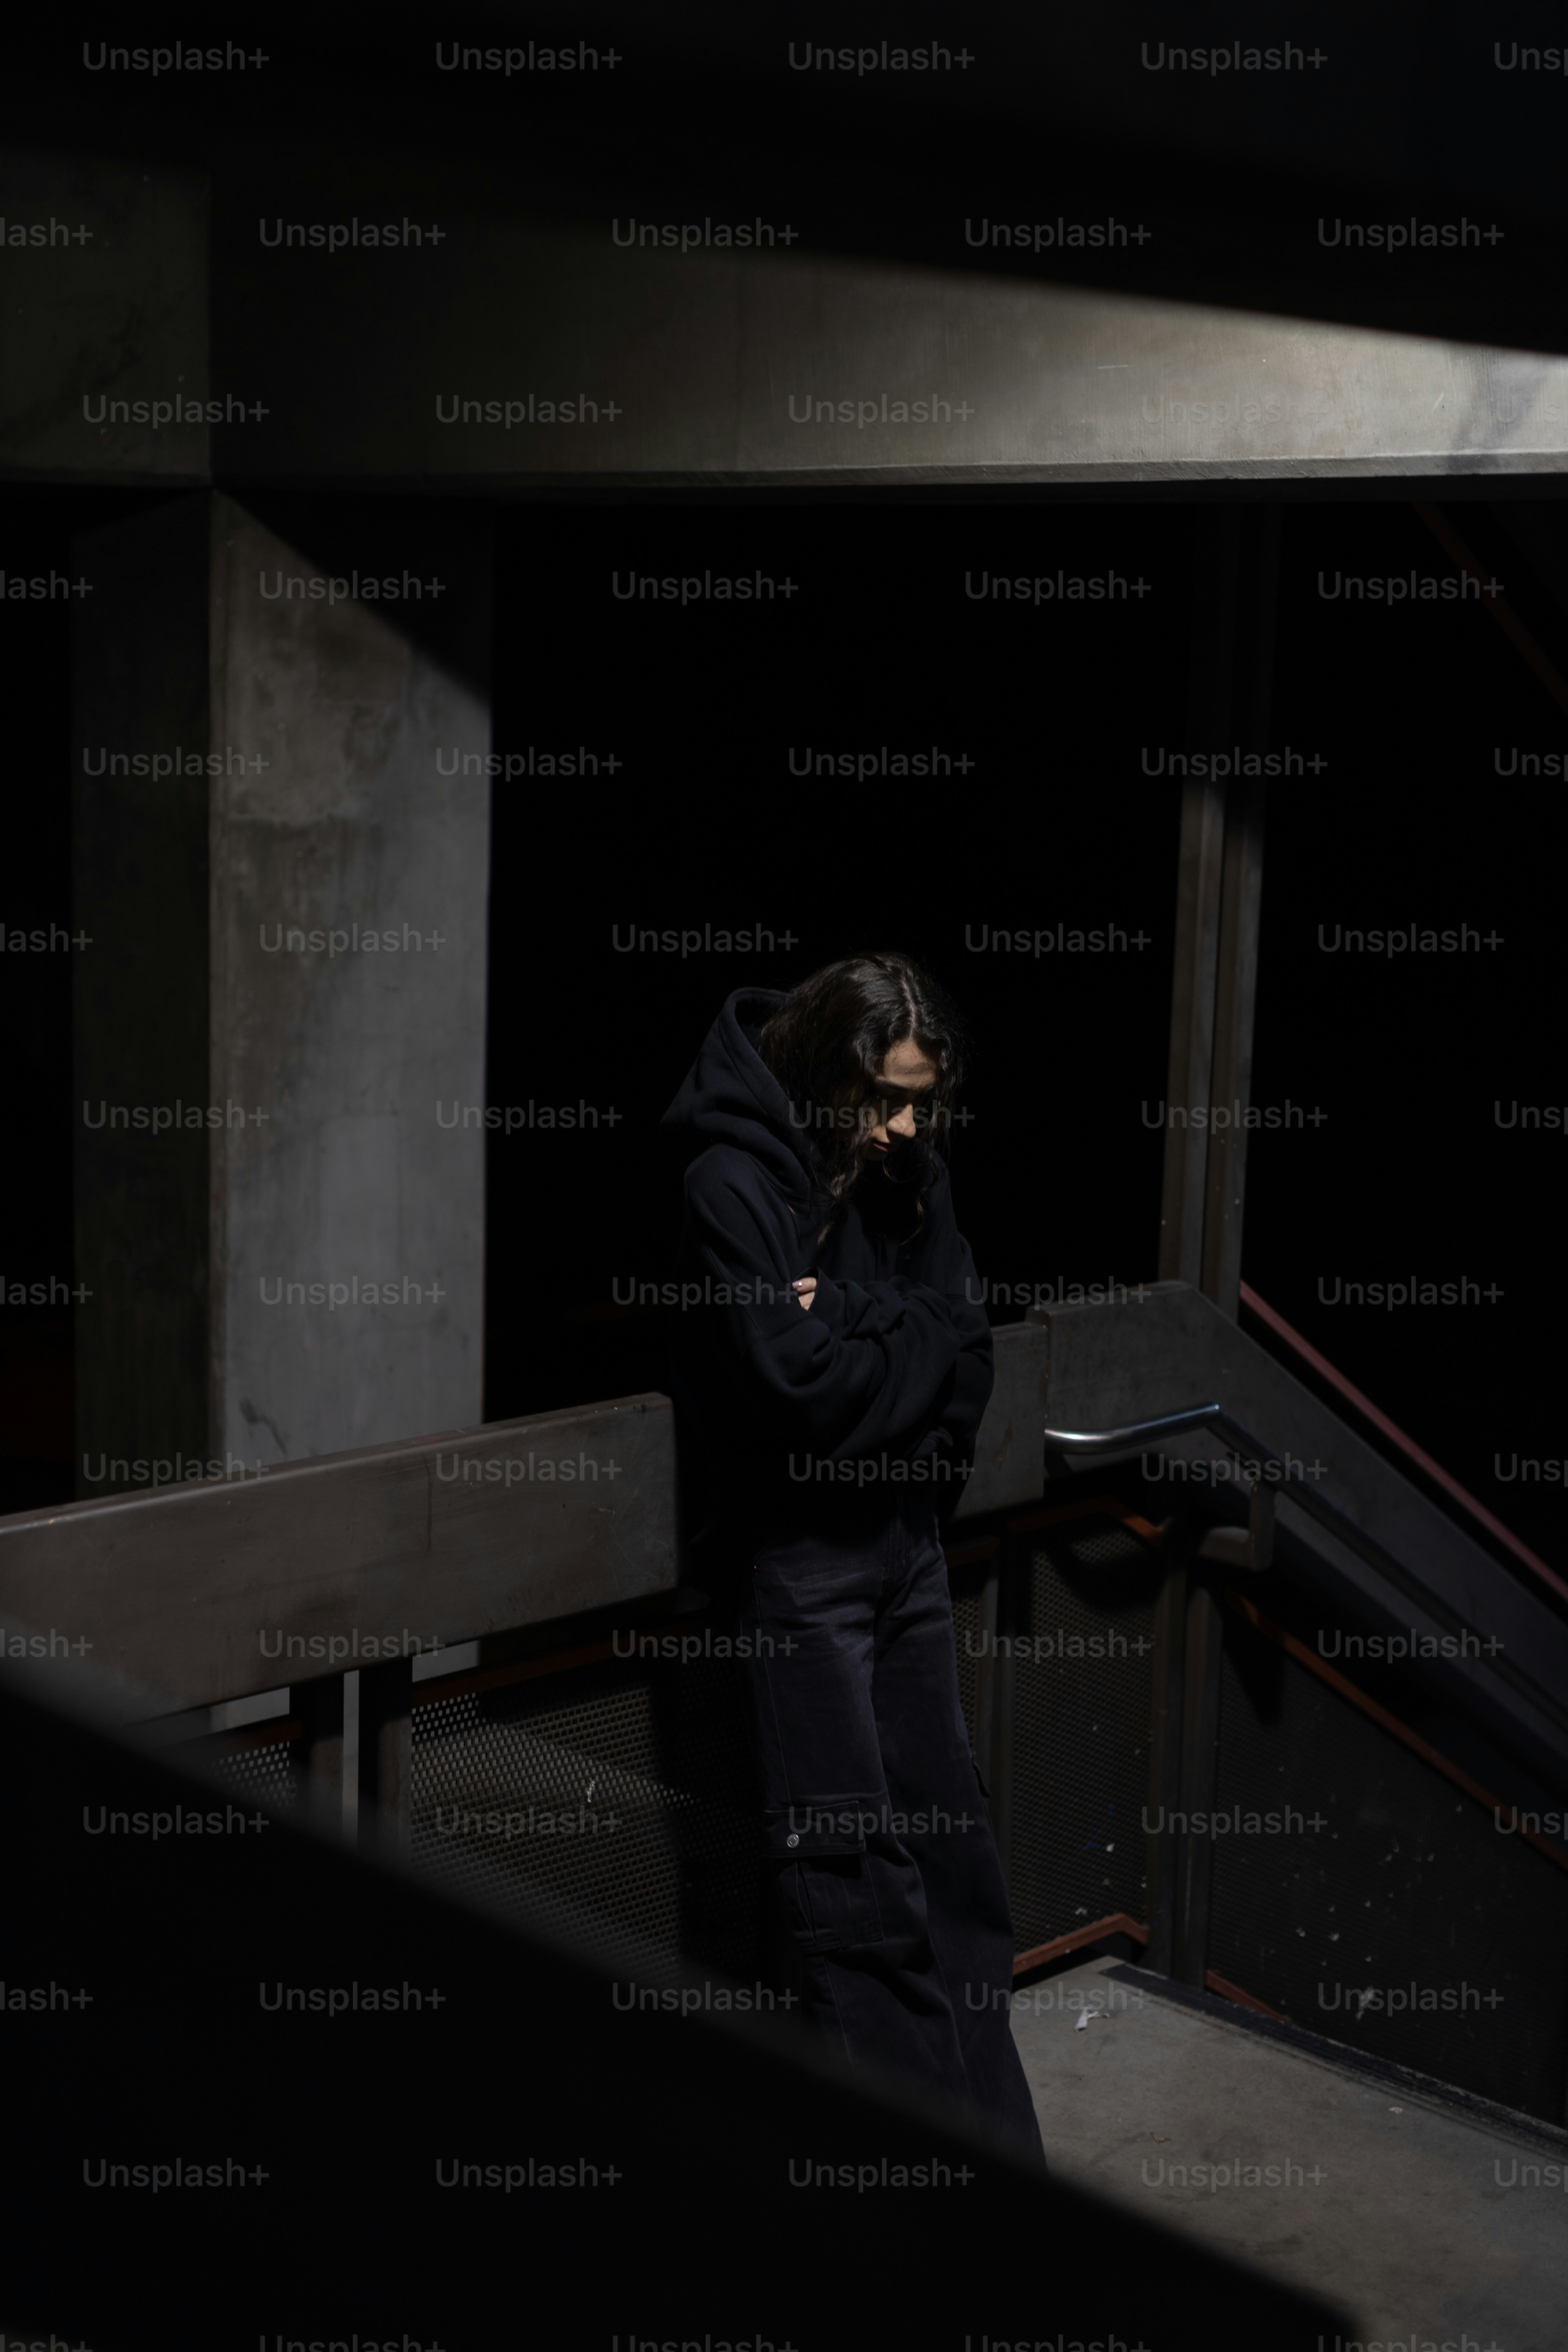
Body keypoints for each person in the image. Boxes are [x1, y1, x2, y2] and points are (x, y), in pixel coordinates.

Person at [661, 952, 1045, 2162]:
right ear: (826, 1075)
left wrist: (863, 1322)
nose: (903, 1127)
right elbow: (790, 1384)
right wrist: (899, 1343)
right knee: (854, 1885)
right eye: (883, 1098)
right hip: (805, 1570)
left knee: (955, 1857)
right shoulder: (727, 1177)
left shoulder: (906, 1169)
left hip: (906, 1549)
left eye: (922, 1100)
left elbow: (966, 1350)